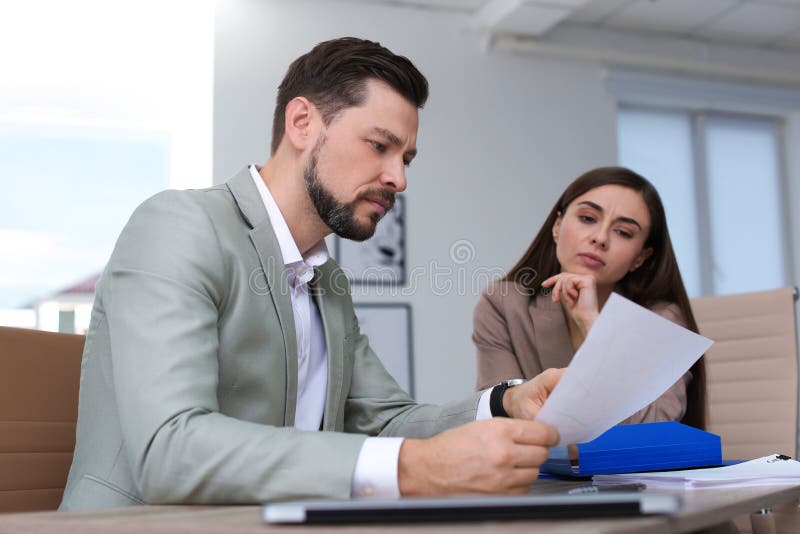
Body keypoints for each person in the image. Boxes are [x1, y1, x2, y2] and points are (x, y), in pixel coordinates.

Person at [59, 37, 564, 510]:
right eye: (379, 145)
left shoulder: (327, 282)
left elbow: (385, 421)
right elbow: (168, 447)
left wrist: (505, 402)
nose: (399, 178)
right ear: (302, 123)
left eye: (406, 158)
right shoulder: (179, 226)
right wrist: (413, 467)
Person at [473, 167, 705, 429]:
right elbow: (499, 416)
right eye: (587, 218)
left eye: (624, 232)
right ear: (557, 226)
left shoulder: (661, 320)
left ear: (640, 258)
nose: (600, 238)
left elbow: (650, 428)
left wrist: (594, 328)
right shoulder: (503, 305)